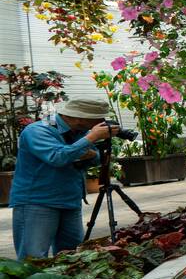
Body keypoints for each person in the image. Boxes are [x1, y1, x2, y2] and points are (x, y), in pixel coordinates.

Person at [9, 95, 113, 260]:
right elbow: (56, 157)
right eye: (97, 119)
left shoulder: (80, 132)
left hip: (69, 200)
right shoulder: (38, 129)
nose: (102, 122)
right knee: (33, 259)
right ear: (80, 118)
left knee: (71, 256)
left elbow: (90, 159)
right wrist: (91, 138)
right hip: (37, 202)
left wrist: (93, 152)